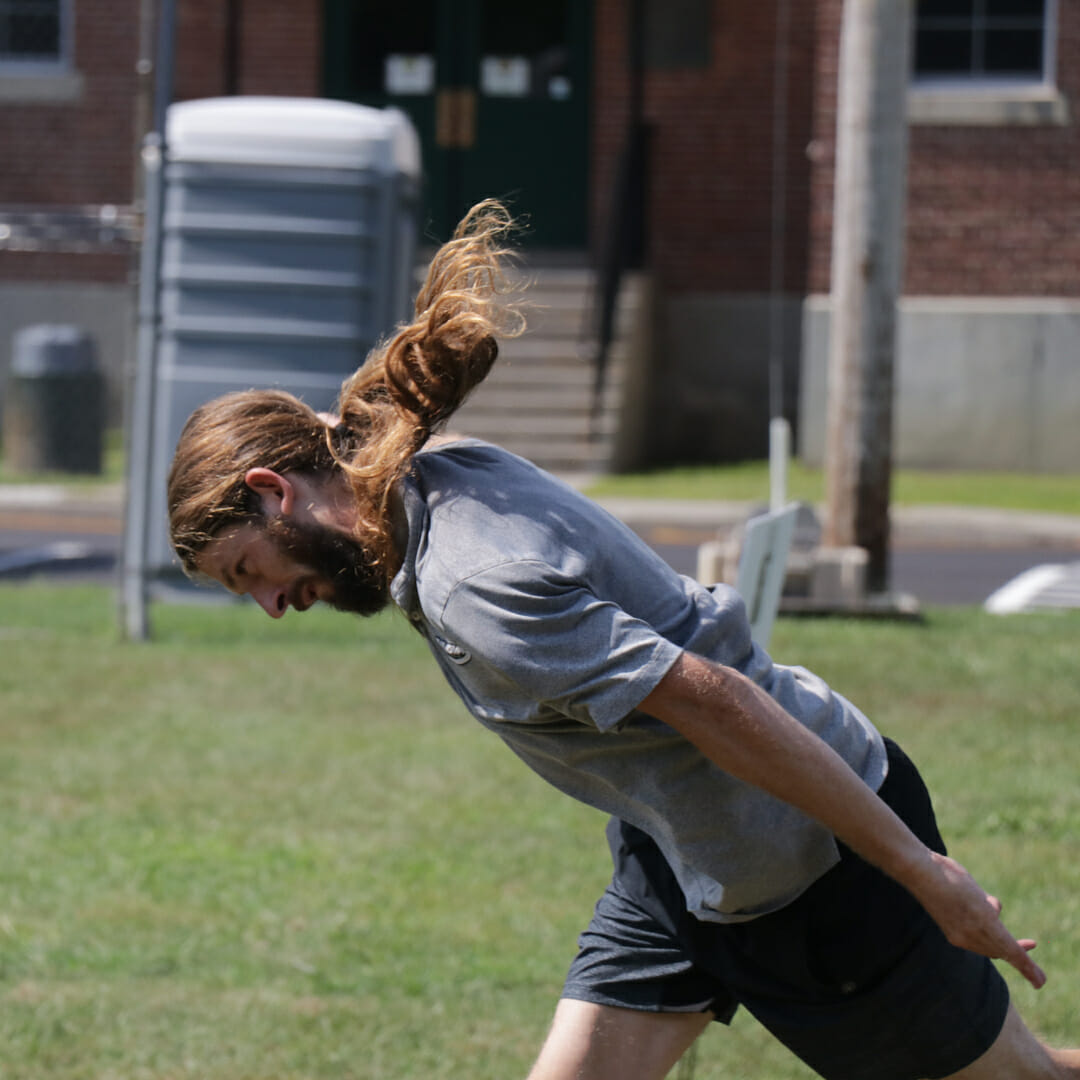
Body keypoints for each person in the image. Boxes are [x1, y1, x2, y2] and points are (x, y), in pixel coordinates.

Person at [167, 202, 1078, 1080]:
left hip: (807, 865)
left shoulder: (470, 586)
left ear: (272, 489)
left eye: (249, 571)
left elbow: (713, 699)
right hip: (684, 854)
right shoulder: (428, 478)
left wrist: (920, 872)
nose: (273, 606)